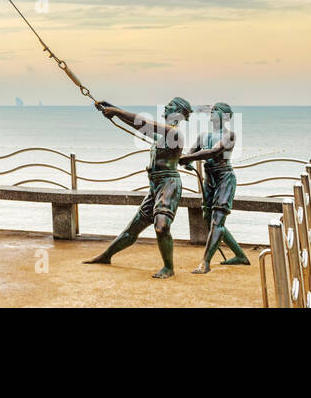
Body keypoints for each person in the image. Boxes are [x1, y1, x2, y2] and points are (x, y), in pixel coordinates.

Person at [84, 96, 192, 278]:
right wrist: (113, 109)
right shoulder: (162, 135)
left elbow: (145, 122)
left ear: (179, 114)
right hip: (155, 186)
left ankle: (169, 268)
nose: (166, 106)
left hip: (169, 184)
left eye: (171, 105)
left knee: (161, 227)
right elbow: (139, 125)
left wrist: (117, 112)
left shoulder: (174, 134)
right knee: (133, 228)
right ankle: (106, 256)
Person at [181, 101, 250, 273]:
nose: (212, 112)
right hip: (209, 178)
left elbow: (213, 152)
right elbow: (190, 153)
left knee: (217, 220)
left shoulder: (230, 135)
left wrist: (188, 159)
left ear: (226, 116)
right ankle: (240, 255)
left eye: (217, 110)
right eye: (212, 109)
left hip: (224, 178)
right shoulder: (203, 135)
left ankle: (205, 262)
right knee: (209, 218)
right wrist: (185, 159)